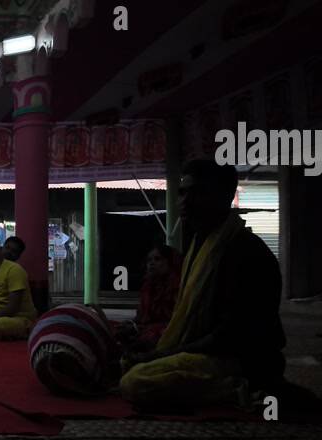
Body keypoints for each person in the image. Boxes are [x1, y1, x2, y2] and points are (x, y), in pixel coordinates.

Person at [120, 160, 287, 411]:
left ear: (224, 197)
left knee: (136, 382)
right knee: (123, 361)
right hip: (204, 350)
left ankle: (244, 390)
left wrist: (160, 354)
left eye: (196, 193)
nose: (184, 202)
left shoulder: (245, 252)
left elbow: (229, 337)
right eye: (183, 193)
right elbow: (182, 321)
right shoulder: (200, 248)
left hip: (240, 360)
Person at [116, 244, 182, 353]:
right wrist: (131, 325)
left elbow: (175, 321)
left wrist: (139, 329)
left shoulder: (178, 286)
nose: (151, 263)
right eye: (149, 260)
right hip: (147, 329)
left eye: (157, 259)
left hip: (170, 332)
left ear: (170, 263)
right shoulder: (148, 288)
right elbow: (141, 318)